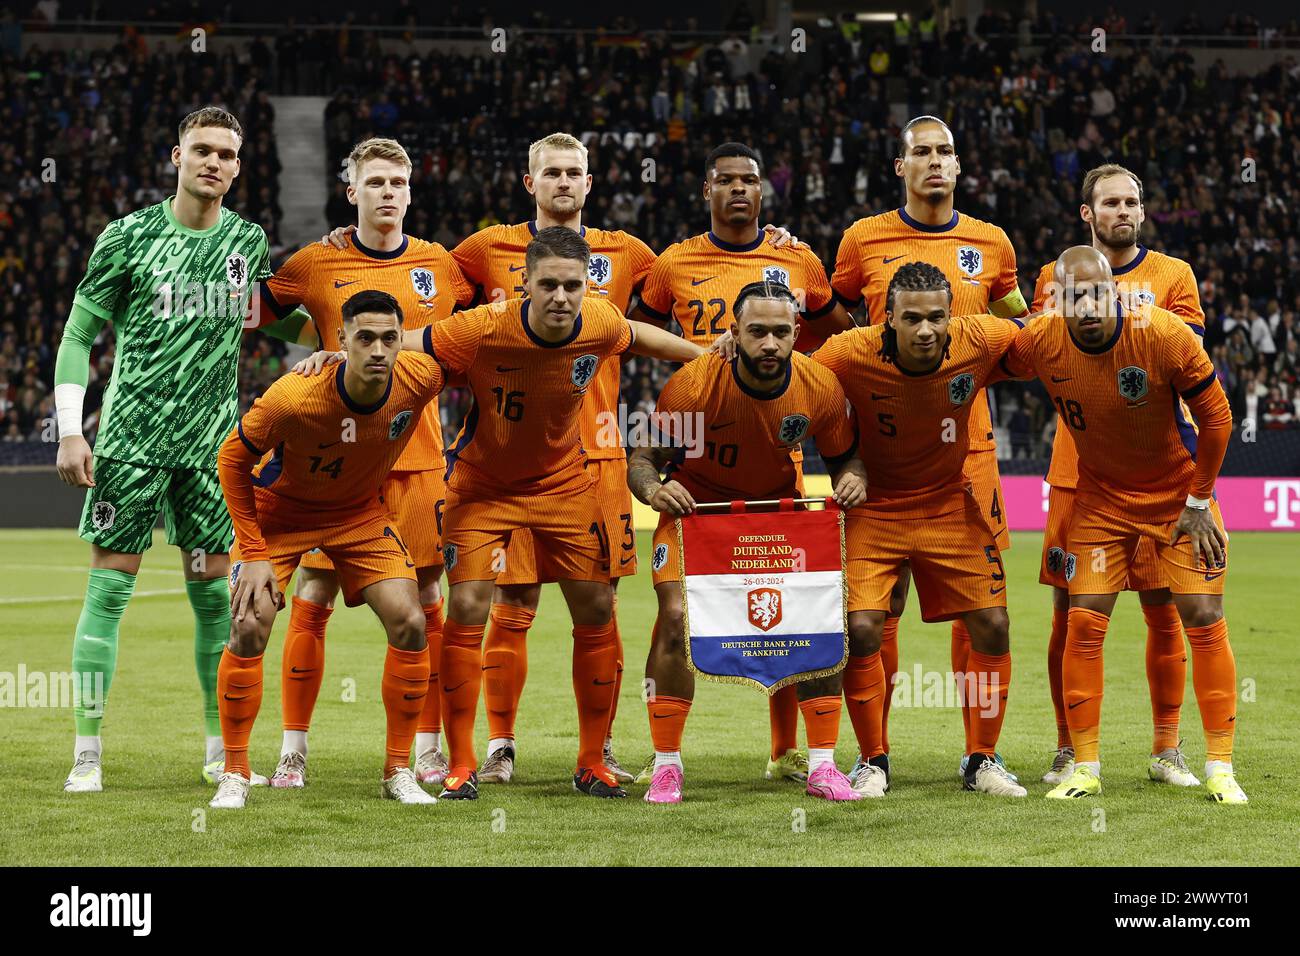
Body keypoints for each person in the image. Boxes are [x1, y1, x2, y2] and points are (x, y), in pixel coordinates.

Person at [55, 107, 273, 792]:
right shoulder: (128, 237)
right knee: (110, 588)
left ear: (238, 168)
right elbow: (77, 335)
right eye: (202, 150)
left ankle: (219, 752)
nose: (214, 162)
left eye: (227, 154)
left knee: (214, 602)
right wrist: (69, 428)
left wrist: (345, 312)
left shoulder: (248, 244)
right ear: (175, 156)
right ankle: (87, 753)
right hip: (130, 443)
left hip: (213, 453)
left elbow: (284, 314)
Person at [629, 140, 854, 784]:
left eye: (748, 181)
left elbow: (848, 331)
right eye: (723, 180)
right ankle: (666, 761)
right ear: (707, 190)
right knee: (675, 617)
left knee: (806, 619)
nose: (737, 190)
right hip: (700, 492)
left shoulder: (798, 264)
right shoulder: (676, 274)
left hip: (775, 500)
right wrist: (653, 486)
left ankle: (803, 757)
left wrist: (853, 474)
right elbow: (633, 337)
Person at [253, 137, 475, 789]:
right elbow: (256, 315)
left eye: (397, 183)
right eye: (374, 182)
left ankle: (424, 749)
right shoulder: (315, 262)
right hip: (335, 466)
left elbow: (473, 335)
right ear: (351, 192)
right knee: (313, 595)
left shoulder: (443, 265)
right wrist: (318, 344)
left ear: (410, 191)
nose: (387, 193)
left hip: (420, 462)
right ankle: (293, 752)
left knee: (426, 601)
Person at [1003, 246, 1246, 804]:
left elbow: (1217, 417)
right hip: (1100, 501)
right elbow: (981, 351)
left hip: (1176, 499)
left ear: (1114, 290)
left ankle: (1220, 766)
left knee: (1203, 616)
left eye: (1094, 292)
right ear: (1054, 302)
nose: (1084, 306)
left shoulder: (1162, 334)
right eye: (1070, 297)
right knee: (1083, 621)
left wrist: (1201, 499)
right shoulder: (1040, 339)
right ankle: (1084, 768)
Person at [830, 115, 1028, 778]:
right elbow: (833, 318)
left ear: (959, 164)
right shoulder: (864, 238)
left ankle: (981, 755)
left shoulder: (991, 242)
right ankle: (873, 757)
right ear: (900, 166)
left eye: (945, 151)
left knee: (978, 614)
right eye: (921, 152)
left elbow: (1018, 327)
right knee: (877, 614)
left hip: (968, 453)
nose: (935, 162)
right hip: (884, 454)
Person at [210, 289, 447, 809]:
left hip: (359, 514)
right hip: (280, 516)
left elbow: (477, 352)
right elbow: (232, 460)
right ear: (341, 341)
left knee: (411, 621)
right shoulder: (294, 397)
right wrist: (250, 551)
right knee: (249, 625)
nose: (380, 350)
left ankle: (397, 770)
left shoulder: (421, 377)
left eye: (390, 338)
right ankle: (234, 770)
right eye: (365, 338)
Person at [1030, 163, 1209, 787]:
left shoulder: (1173, 277)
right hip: (1077, 470)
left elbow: (1180, 357)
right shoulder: (1055, 278)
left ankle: (1168, 749)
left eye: (1132, 201)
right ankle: (1066, 747)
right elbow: (1042, 346)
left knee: (1164, 608)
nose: (1123, 212)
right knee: (1070, 612)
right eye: (1110, 203)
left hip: (1155, 466)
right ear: (1088, 213)